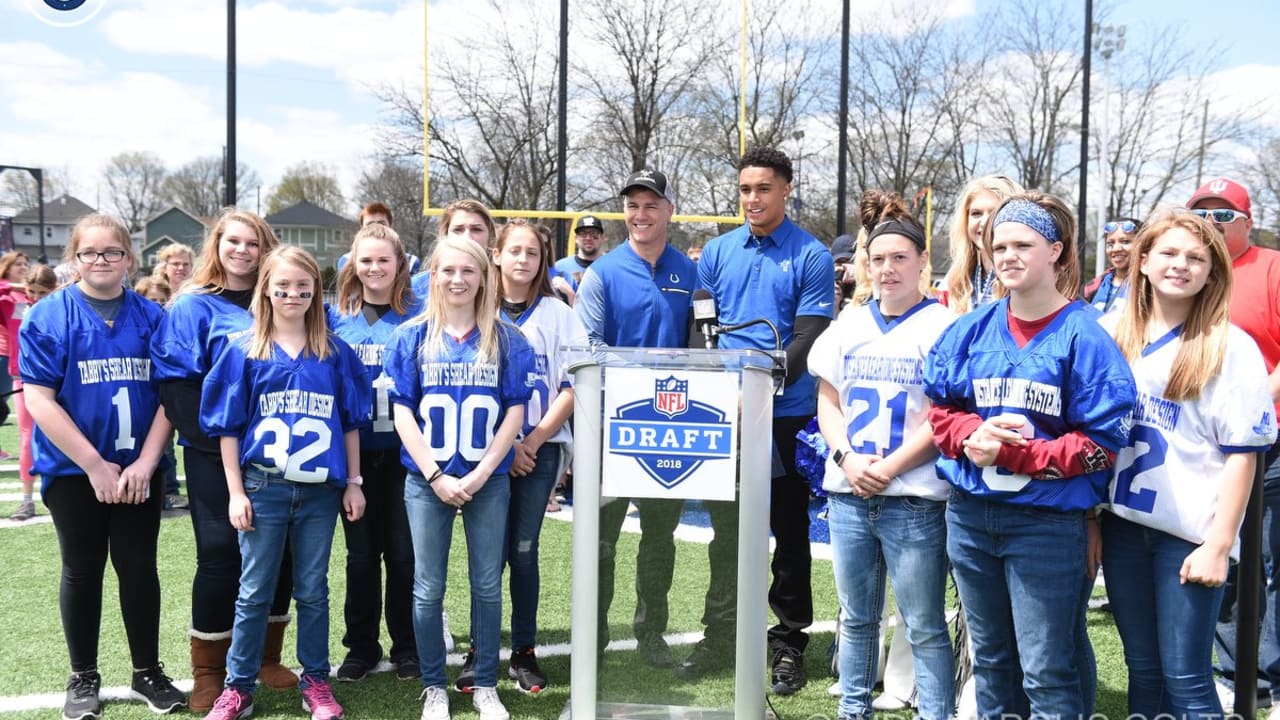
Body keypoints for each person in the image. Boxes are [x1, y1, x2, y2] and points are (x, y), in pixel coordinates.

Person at [923, 190, 1137, 718]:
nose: (1008, 256)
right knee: (991, 662)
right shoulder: (971, 328)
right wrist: (970, 435)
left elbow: (1103, 445)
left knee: (1046, 670)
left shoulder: (1085, 336)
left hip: (1045, 524)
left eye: (1024, 243)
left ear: (1057, 252)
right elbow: (941, 408)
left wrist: (1020, 456)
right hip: (971, 517)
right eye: (1000, 246)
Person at [1101, 208, 1277, 720]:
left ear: (1212, 271)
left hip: (1188, 534)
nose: (1181, 265)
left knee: (1185, 676)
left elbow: (1245, 454)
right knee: (1143, 668)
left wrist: (1220, 544)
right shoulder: (1112, 330)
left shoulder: (1230, 345)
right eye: (1170, 252)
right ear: (1144, 260)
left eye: (1196, 257)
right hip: (1123, 525)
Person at [679, 146, 834, 696]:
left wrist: (759, 390)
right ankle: (719, 636)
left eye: (763, 188)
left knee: (790, 534)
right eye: (745, 189)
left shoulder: (811, 254)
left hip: (787, 415)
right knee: (726, 533)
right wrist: (719, 390)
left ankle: (789, 643)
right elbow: (701, 326)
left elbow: (810, 333)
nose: (752, 199)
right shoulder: (717, 252)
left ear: (786, 190)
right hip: (726, 414)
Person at [22, 214, 186, 720]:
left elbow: (169, 397)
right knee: (82, 567)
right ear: (74, 259)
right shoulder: (48, 316)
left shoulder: (153, 317)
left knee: (139, 568)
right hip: (77, 471)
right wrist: (94, 464)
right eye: (89, 253)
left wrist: (148, 461)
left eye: (111, 252)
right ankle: (83, 674)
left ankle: (146, 671)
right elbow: (39, 398)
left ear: (129, 258)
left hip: (138, 469)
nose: (100, 261)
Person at [199, 246, 370, 720]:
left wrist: (353, 481)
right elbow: (228, 429)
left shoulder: (334, 351)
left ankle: (315, 680)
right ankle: (238, 686)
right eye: (283, 286)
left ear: (316, 290)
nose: (292, 293)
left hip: (320, 491)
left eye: (302, 286)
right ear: (266, 289)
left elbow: (351, 422)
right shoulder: (244, 348)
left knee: (313, 589)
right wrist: (235, 491)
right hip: (263, 486)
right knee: (254, 589)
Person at [809, 192, 956, 720]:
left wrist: (891, 467)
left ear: (922, 262)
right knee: (856, 617)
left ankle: (933, 711)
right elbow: (829, 400)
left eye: (900, 258)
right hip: (849, 492)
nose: (888, 268)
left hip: (914, 497)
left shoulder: (943, 326)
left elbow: (945, 415)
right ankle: (854, 710)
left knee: (923, 622)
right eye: (878, 259)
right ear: (864, 264)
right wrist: (847, 457)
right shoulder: (848, 324)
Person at [384, 235, 535, 720]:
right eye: (448, 270)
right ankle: (434, 686)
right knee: (427, 588)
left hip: (487, 479)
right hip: (428, 482)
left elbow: (514, 412)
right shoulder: (410, 337)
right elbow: (403, 414)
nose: (457, 279)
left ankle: (485, 681)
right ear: (434, 275)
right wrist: (434, 475)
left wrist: (485, 471)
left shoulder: (507, 337)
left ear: (483, 276)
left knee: (487, 585)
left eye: (468, 271)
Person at [150, 209, 295, 712]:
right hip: (216, 453)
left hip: (280, 451)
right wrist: (222, 443)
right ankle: (209, 668)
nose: (242, 251)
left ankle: (264, 656)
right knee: (219, 554)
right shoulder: (193, 306)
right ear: (217, 244)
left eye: (252, 243)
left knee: (281, 553)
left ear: (265, 248)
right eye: (232, 241)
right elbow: (177, 386)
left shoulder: (280, 297)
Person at [575, 168, 697, 668]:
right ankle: (595, 639)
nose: (640, 214)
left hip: (669, 427)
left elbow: (700, 344)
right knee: (601, 541)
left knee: (659, 540)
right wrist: (645, 373)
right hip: (613, 426)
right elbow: (589, 346)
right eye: (632, 205)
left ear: (669, 210)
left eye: (651, 205)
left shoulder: (691, 274)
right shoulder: (602, 272)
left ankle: (651, 633)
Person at [1190, 178, 1280, 713]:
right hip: (1201, 445)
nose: (1213, 226)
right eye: (1203, 214)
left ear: (1247, 222)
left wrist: (1253, 403)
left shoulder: (1270, 268)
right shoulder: (1189, 271)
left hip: (1265, 440)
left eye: (1224, 216)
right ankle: (1230, 671)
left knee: (1270, 561)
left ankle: (1270, 674)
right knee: (1219, 552)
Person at [492, 219, 587, 694]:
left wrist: (530, 441)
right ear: (497, 255)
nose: (523, 260)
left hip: (541, 448)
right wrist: (505, 445)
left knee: (523, 551)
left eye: (532, 253)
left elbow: (572, 386)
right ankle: (482, 649)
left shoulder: (559, 313)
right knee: (487, 555)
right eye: (515, 251)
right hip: (486, 451)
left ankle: (524, 649)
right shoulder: (477, 307)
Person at [327, 223, 423, 683]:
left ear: (400, 265)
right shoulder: (334, 317)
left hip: (407, 456)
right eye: (366, 260)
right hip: (356, 456)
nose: (374, 268)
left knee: (404, 556)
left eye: (384, 259)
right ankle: (361, 646)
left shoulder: (421, 314)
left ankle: (407, 645)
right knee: (361, 557)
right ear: (353, 264)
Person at [8, 264, 57, 522]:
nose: (36, 297)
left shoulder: (60, 308)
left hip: (57, 379)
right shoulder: (13, 304)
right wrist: (15, 286)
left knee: (61, 433)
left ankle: (60, 491)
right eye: (32, 291)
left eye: (43, 292)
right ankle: (27, 500)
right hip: (23, 377)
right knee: (27, 436)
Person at [940, 175, 1024, 314]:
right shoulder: (955, 279)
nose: (984, 222)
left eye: (994, 212)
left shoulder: (1025, 276)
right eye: (976, 213)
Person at [409, 200, 496, 299]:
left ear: (490, 237)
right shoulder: (417, 288)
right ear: (445, 235)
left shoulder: (506, 286)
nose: (467, 237)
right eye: (458, 229)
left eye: (476, 229)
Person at [335, 202, 422, 277]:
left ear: (391, 227)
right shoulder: (347, 261)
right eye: (370, 224)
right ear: (361, 229)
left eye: (381, 224)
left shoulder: (410, 262)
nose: (376, 228)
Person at [0, 250, 30, 459]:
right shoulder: (5, 291)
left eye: (25, 264)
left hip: (21, 359)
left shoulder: (28, 294)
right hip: (2, 354)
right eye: (17, 264)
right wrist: (14, 286)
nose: (22, 267)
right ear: (7, 267)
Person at [1085, 217, 1141, 313]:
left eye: (1125, 242)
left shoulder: (1150, 287)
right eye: (1110, 244)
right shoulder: (1092, 287)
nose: (1116, 249)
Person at [554, 215, 606, 290]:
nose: (588, 238)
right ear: (576, 238)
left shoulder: (612, 268)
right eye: (583, 233)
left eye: (594, 233)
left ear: (602, 238)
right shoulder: (559, 268)